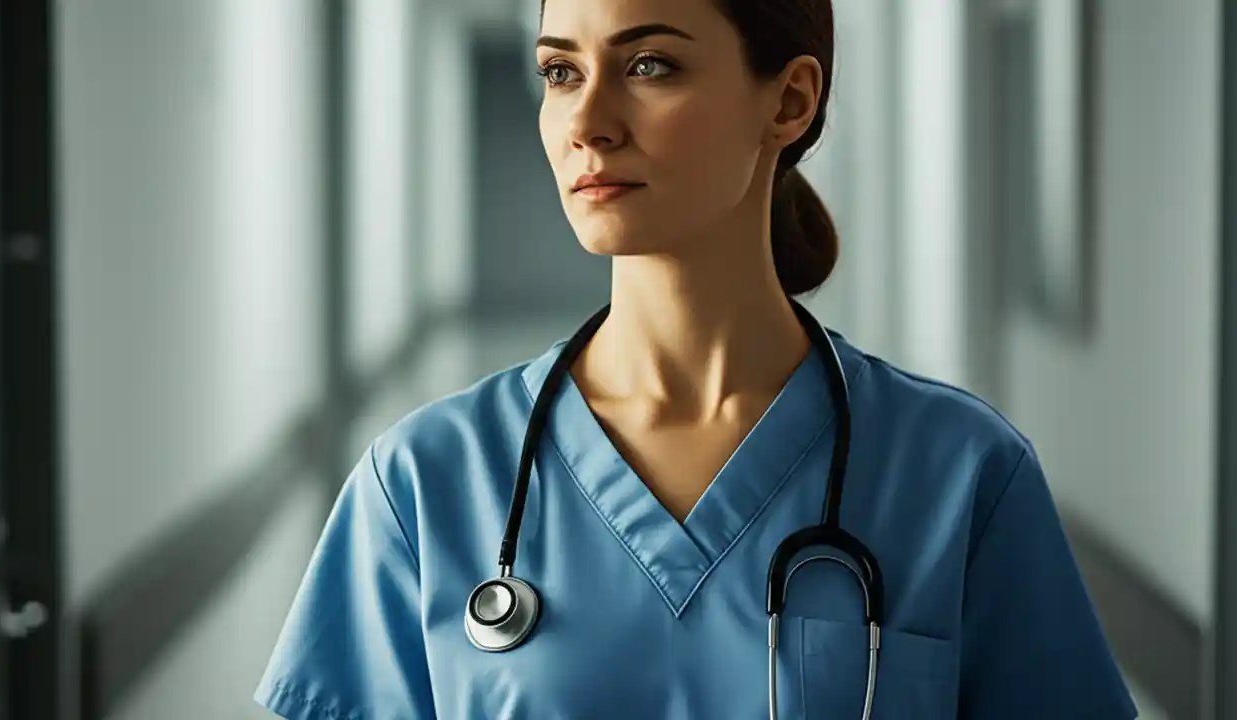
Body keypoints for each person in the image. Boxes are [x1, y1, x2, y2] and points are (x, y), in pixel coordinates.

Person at [254, 0, 1140, 717]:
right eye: (561, 72)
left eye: (650, 66)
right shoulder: (424, 482)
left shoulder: (961, 475)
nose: (588, 123)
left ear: (788, 101)